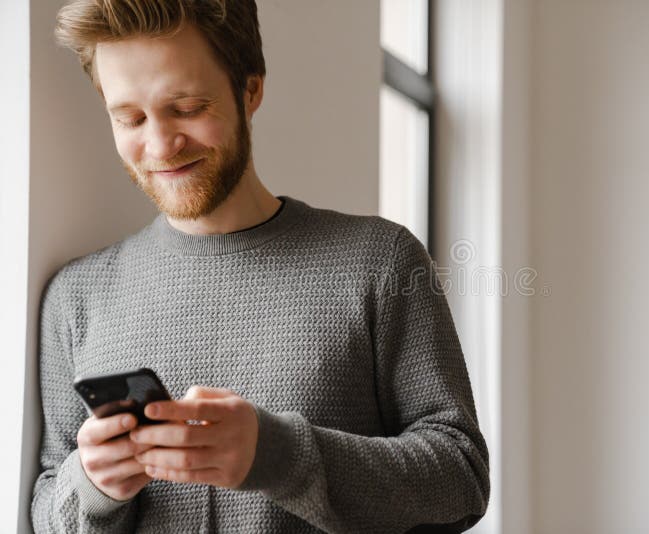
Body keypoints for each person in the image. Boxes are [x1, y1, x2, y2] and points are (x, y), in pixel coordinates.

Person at [31, 1, 490, 532]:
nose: (160, 145)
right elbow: (47, 510)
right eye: (129, 118)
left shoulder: (380, 262)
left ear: (251, 90)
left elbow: (462, 479)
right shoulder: (75, 297)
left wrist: (277, 455)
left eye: (186, 107)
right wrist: (92, 485)